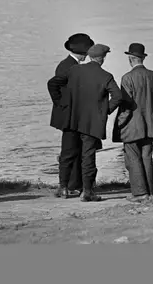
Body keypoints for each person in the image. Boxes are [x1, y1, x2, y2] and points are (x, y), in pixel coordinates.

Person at [63, 43, 121, 202]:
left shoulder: (74, 70)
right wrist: (105, 111)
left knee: (71, 154)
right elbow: (117, 96)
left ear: (89, 56)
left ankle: (66, 187)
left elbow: (63, 87)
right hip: (92, 123)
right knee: (88, 156)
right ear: (102, 58)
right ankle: (87, 191)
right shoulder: (105, 76)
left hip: (73, 120)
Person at [112, 42, 153, 202]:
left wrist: (119, 124)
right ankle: (150, 192)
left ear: (130, 59)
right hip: (151, 124)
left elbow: (126, 105)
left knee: (133, 157)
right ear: (142, 58)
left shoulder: (127, 78)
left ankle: (139, 193)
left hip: (132, 124)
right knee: (146, 157)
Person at [47, 32, 93, 199]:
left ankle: (71, 185)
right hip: (70, 116)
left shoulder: (67, 64)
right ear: (81, 52)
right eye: (86, 52)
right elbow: (54, 85)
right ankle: (65, 186)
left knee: (73, 150)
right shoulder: (70, 67)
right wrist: (61, 104)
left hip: (71, 114)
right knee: (69, 151)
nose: (87, 55)